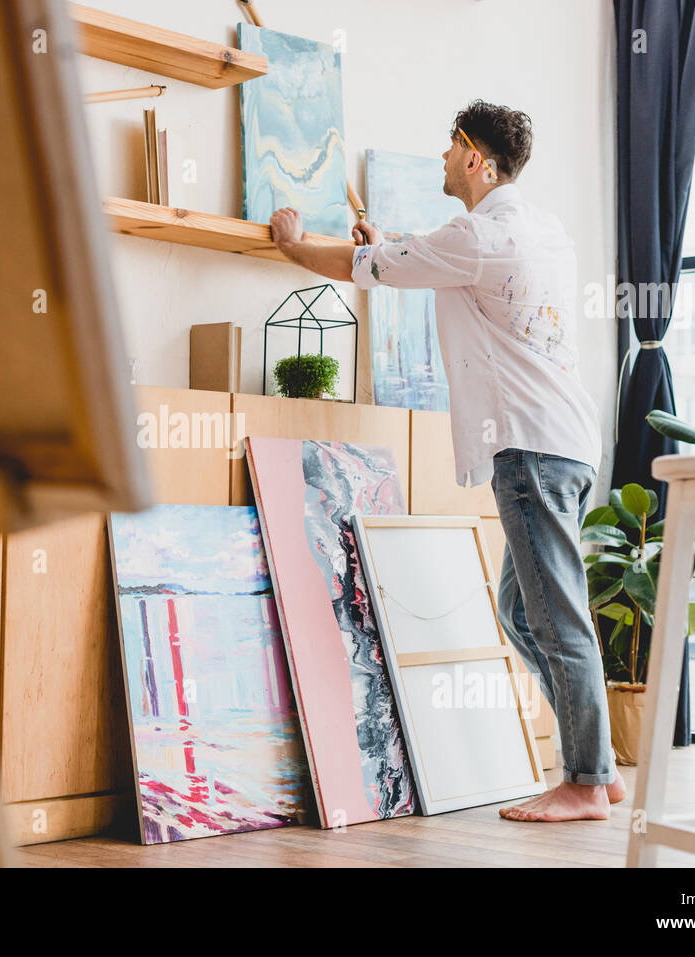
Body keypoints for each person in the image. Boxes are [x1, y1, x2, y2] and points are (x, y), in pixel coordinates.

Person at [270, 99, 624, 821]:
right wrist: (391, 245)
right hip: (565, 444)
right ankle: (601, 769)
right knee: (522, 611)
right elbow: (431, 261)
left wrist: (294, 246)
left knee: (554, 619)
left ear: (474, 156)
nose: (440, 157)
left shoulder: (477, 234)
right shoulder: (539, 230)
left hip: (530, 447)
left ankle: (585, 780)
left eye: (448, 145)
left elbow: (383, 266)